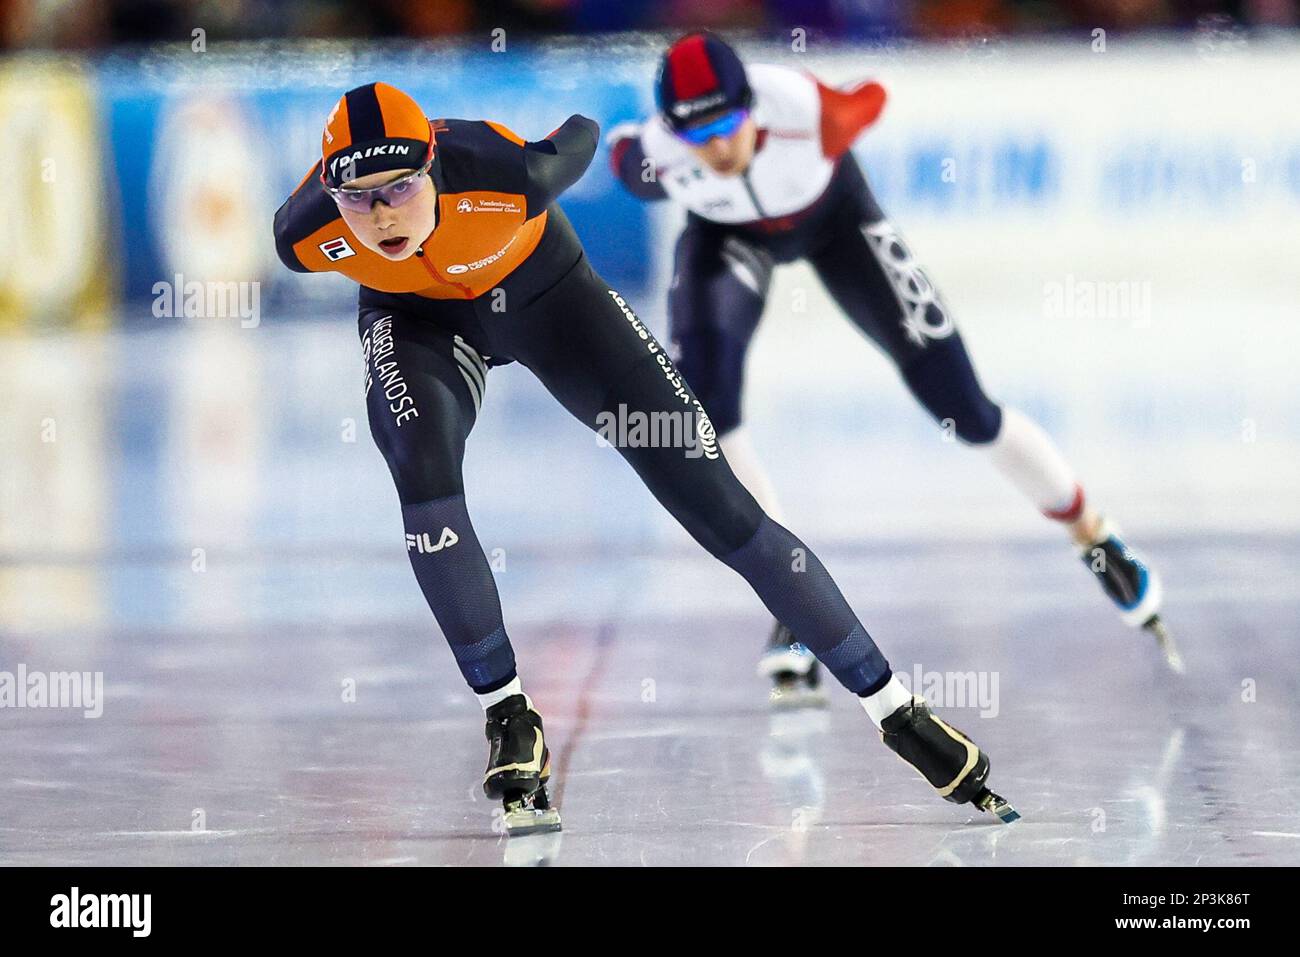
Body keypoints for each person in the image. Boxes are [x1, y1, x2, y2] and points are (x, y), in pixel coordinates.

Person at [273, 80, 1019, 834]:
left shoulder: (506, 174)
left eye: (400, 187)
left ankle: (895, 708)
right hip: (418, 324)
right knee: (420, 465)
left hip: (553, 303)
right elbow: (326, 224)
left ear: (433, 167)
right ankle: (507, 715)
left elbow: (583, 133)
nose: (383, 215)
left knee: (721, 506)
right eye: (358, 199)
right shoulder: (303, 234)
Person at [608, 32, 1179, 704]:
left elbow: (870, 97)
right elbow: (617, 151)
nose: (717, 149)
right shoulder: (654, 155)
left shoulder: (801, 110)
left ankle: (1094, 533)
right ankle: (793, 602)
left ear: (751, 104)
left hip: (836, 221)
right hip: (724, 238)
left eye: (728, 124)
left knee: (965, 409)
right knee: (710, 413)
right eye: (696, 134)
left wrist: (849, 109)